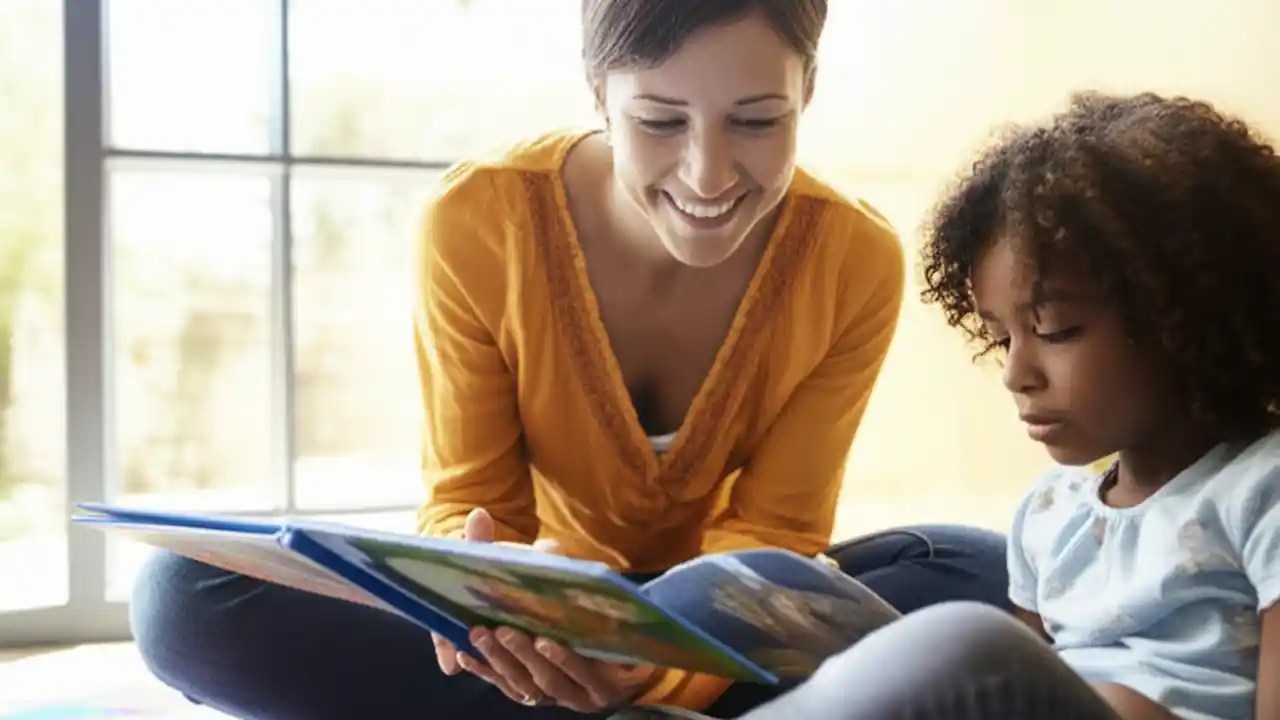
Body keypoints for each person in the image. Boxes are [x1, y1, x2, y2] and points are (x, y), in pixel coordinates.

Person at [127, 1, 1009, 718]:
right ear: (598, 94)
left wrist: (657, 669)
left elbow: (777, 533)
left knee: (984, 577)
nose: (708, 174)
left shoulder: (853, 260)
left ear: (806, 90)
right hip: (542, 611)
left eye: (756, 120)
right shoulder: (479, 222)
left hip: (713, 614)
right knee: (188, 594)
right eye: (659, 120)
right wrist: (500, 618)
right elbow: (471, 501)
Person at [709, 91, 1280, 720]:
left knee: (968, 643)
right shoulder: (1051, 512)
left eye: (1057, 330)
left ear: (1183, 317)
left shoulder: (1261, 489)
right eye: (1002, 339)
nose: (1016, 374)